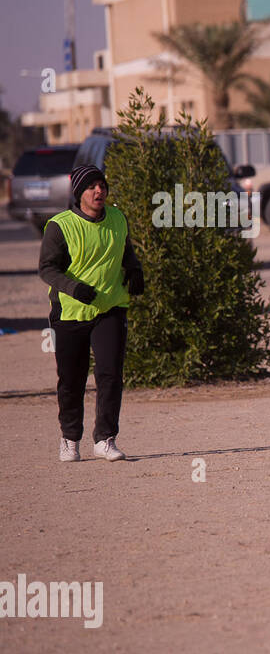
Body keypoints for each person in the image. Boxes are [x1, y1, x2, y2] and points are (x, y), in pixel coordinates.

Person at [38, 165, 144, 463]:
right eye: (91, 187)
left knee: (110, 374)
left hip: (110, 308)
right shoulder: (60, 226)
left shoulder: (117, 218)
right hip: (70, 312)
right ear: (79, 193)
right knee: (71, 379)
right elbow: (47, 268)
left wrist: (135, 271)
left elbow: (126, 252)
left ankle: (105, 439)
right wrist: (73, 288)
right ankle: (70, 439)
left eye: (102, 185)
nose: (99, 191)